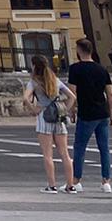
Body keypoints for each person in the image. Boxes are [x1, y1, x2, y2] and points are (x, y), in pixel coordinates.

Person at [67, 38, 112, 194]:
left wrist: (72, 110)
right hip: (102, 112)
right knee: (104, 148)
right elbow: (110, 94)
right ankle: (106, 181)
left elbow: (72, 93)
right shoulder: (102, 69)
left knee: (80, 147)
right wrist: (111, 113)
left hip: (87, 113)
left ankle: (76, 180)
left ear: (79, 51)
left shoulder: (75, 69)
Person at [23, 54, 75, 193]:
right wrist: (65, 109)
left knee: (48, 154)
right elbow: (72, 96)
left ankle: (52, 185)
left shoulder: (34, 82)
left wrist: (34, 109)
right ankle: (70, 185)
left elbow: (25, 98)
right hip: (58, 116)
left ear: (34, 66)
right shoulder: (55, 80)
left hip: (44, 116)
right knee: (65, 153)